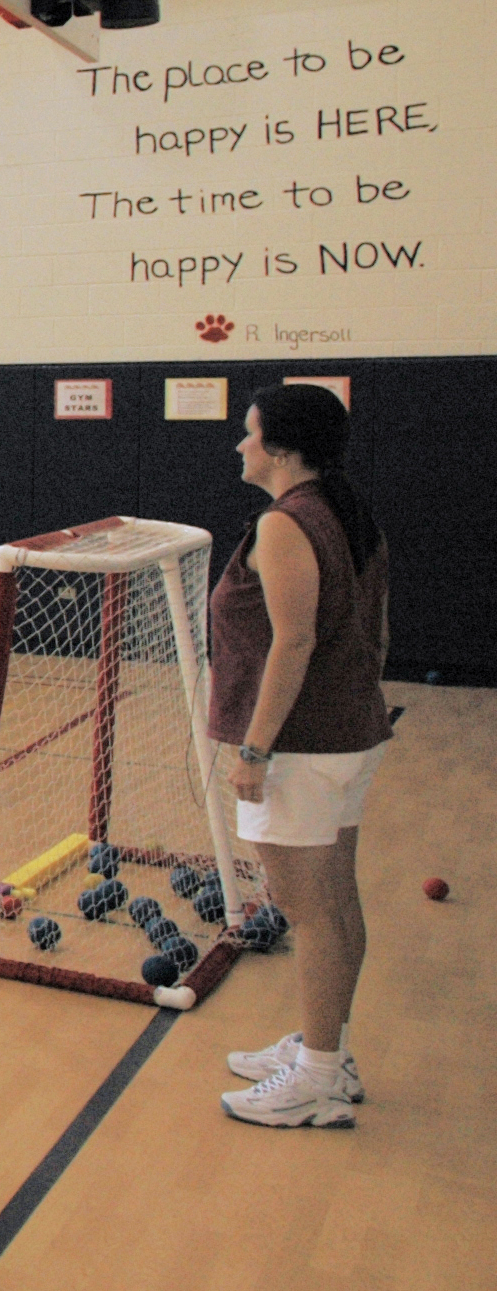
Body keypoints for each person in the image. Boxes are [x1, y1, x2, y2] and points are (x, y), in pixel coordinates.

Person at [214, 384, 392, 1129]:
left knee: (308, 913)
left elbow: (295, 642)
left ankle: (317, 1078)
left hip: (302, 747)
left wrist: (255, 746)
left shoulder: (287, 524)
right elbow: (372, 635)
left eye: (249, 434)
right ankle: (328, 1051)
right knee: (335, 901)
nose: (239, 446)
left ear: (281, 448)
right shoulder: (345, 513)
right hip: (347, 737)